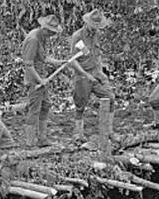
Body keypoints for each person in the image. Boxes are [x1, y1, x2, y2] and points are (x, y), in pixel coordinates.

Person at [68, 8, 117, 151]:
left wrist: (100, 72)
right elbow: (72, 61)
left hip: (96, 72)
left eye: (98, 26)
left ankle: (109, 131)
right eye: (94, 25)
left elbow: (97, 54)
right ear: (87, 23)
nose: (96, 28)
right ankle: (78, 134)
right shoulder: (78, 36)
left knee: (110, 98)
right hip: (82, 75)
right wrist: (85, 74)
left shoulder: (97, 35)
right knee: (80, 105)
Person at [21, 14, 64, 147]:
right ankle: (29, 142)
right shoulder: (33, 39)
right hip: (34, 79)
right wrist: (40, 80)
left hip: (42, 76)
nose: (52, 35)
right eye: (51, 33)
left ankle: (42, 139)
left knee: (45, 106)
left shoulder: (42, 37)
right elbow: (28, 64)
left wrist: (57, 62)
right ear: (45, 29)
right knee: (34, 109)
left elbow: (43, 57)